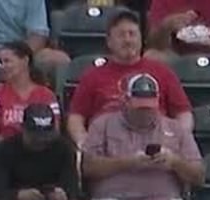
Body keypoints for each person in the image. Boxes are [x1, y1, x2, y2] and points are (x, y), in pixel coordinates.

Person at [82, 72, 205, 200]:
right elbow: (88, 168)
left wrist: (174, 162)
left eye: (149, 108)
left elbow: (199, 177)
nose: (145, 113)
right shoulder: (102, 125)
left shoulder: (176, 129)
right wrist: (128, 162)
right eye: (140, 108)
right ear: (126, 101)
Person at [67, 9, 194, 142]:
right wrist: (84, 143)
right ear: (109, 42)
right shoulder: (92, 76)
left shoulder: (163, 72)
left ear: (141, 39)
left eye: (132, 34)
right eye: (121, 35)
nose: (127, 40)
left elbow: (183, 113)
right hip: (107, 146)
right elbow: (76, 117)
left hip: (154, 144)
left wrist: (178, 140)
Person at [0, 103, 86, 200]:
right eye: (35, 138)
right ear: (23, 129)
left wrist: (63, 194)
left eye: (45, 138)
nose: (41, 142)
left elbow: (72, 186)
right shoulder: (5, 149)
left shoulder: (63, 148)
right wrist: (18, 195)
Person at [0, 40, 62, 149]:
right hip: (7, 152)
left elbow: (55, 132)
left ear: (25, 61)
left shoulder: (47, 96)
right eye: (1, 62)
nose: (3, 66)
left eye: (7, 61)